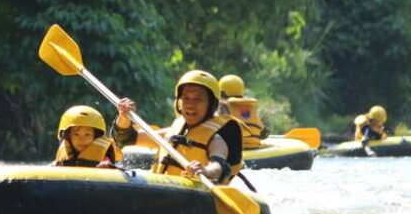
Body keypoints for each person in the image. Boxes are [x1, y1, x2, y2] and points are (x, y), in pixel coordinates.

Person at [111, 70, 243, 184]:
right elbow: (125, 138)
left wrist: (205, 170)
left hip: (196, 196)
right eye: (186, 98)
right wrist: (123, 117)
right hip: (161, 192)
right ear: (179, 103)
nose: (190, 105)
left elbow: (219, 165)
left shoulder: (217, 139)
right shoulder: (173, 131)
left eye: (198, 99)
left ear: (211, 104)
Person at [53, 105, 123, 167]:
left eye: (87, 135)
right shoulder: (58, 163)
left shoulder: (104, 162)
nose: (82, 140)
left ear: (96, 136)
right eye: (76, 134)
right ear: (68, 137)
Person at [217, 74, 269, 149]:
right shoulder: (250, 106)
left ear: (221, 92)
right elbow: (263, 133)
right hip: (254, 146)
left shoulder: (221, 105)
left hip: (234, 148)